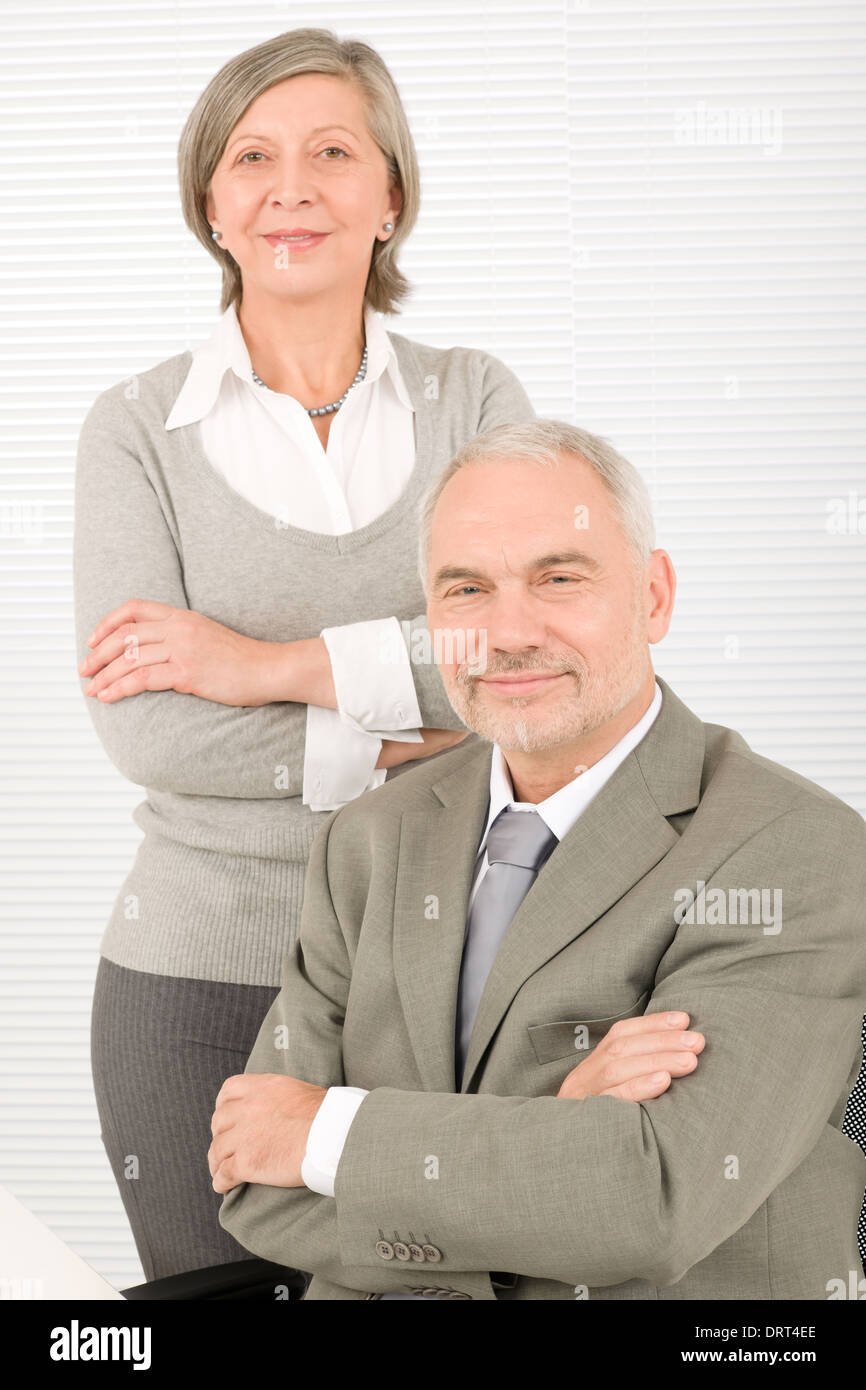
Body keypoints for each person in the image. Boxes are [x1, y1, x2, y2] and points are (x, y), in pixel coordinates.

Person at [73, 27, 535, 1283]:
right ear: (210, 205)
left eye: (334, 152)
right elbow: (148, 727)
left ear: (388, 194)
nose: (293, 186)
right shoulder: (133, 430)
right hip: (195, 976)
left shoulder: (475, 399)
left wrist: (254, 663)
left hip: (453, 967)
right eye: (253, 157)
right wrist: (404, 735)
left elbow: (523, 656)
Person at [212, 419, 866, 1300]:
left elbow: (650, 1200)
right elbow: (254, 1182)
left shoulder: (790, 851)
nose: (508, 633)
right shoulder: (369, 838)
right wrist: (552, 1142)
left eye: (559, 578)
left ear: (654, 596)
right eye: (466, 589)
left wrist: (329, 1138)